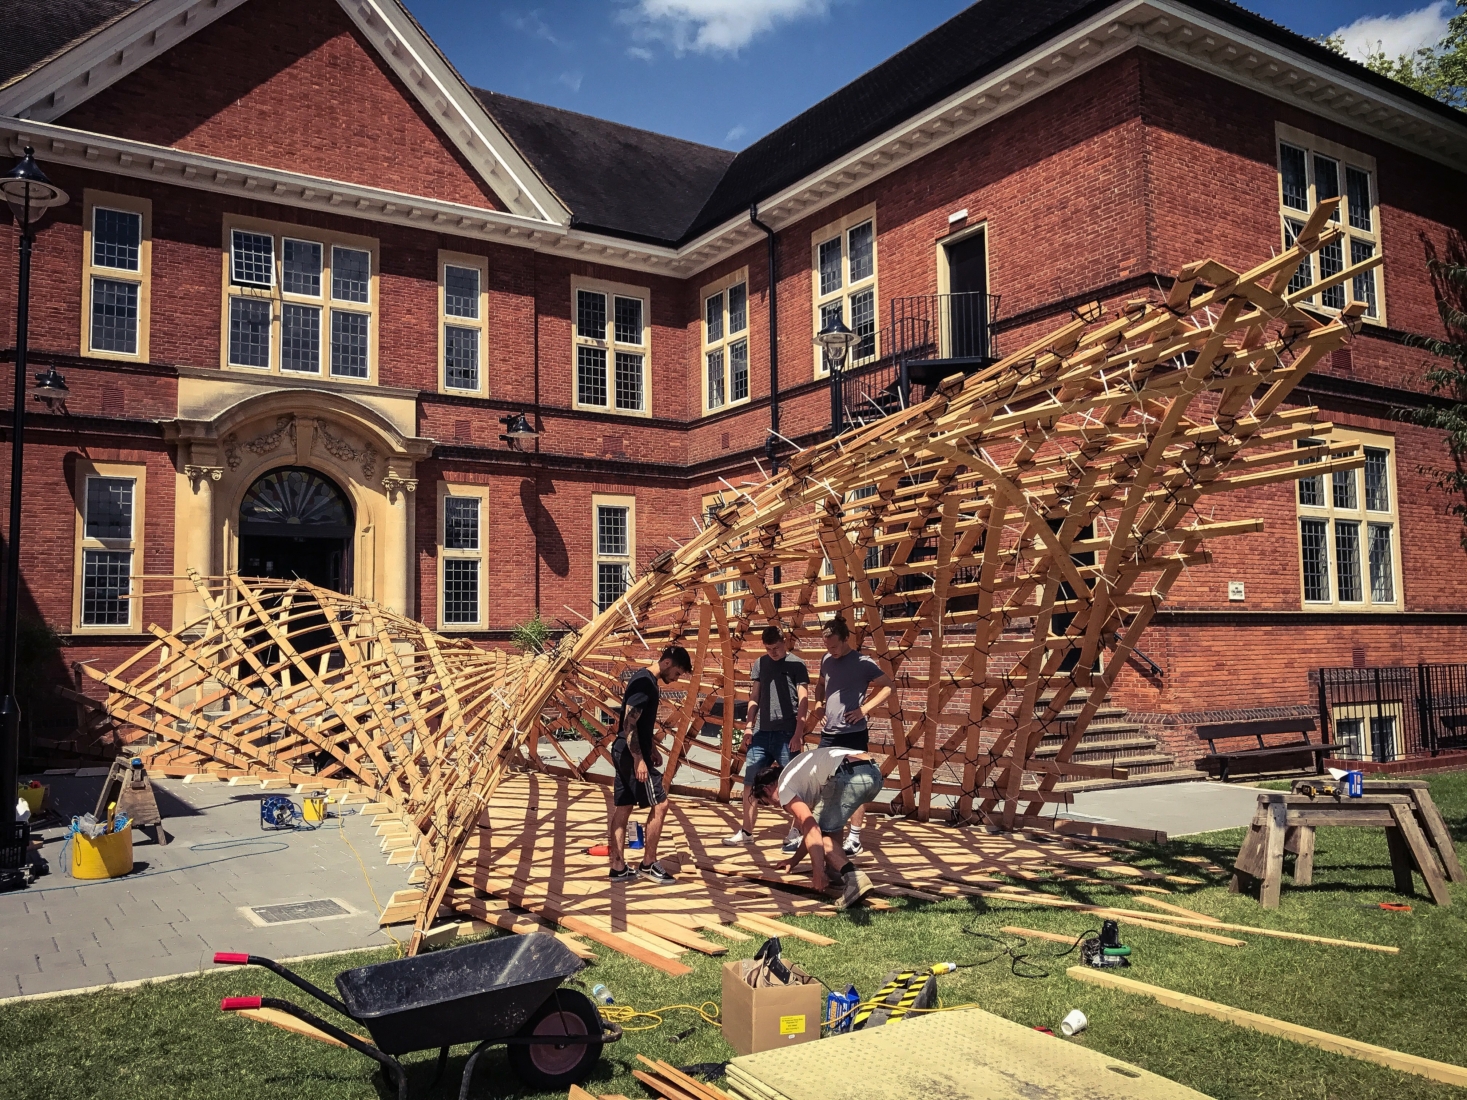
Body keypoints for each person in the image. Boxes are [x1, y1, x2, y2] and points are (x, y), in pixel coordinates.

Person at [750, 746, 880, 908]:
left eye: (766, 801)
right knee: (830, 830)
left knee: (822, 836)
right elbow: (814, 828)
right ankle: (839, 877)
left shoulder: (784, 788)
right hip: (873, 772)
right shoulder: (799, 776)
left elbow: (812, 830)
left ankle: (854, 878)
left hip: (847, 773)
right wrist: (794, 860)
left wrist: (817, 871)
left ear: (767, 789)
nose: (775, 806)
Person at [608, 644, 693, 884]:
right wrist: (639, 759)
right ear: (667, 663)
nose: (675, 679)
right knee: (661, 804)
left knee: (624, 806)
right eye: (676, 673)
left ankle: (618, 867)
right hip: (630, 753)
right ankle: (648, 863)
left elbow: (640, 723)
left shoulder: (644, 679)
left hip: (624, 749)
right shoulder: (645, 683)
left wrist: (652, 748)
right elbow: (629, 722)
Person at [810, 613, 892, 856]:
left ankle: (854, 837)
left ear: (846, 640)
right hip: (828, 733)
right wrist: (817, 704)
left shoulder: (862, 663)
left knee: (858, 783)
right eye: (827, 646)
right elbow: (820, 685)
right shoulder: (826, 659)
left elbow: (888, 685)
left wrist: (864, 709)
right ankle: (822, 830)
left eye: (834, 646)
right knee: (821, 782)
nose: (831, 650)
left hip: (853, 733)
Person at [724, 625, 809, 847]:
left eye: (777, 648)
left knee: (793, 782)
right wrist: (749, 725)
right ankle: (747, 832)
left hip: (786, 733)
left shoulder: (797, 664)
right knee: (750, 781)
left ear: (785, 641)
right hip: (761, 732)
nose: (773, 652)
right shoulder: (760, 664)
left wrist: (798, 732)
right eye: (769, 648)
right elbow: (754, 696)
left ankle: (797, 831)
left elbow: (804, 699)